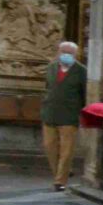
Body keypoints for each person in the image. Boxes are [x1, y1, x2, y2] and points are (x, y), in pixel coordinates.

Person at [41, 40, 86, 192]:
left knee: (67, 150)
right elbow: (48, 87)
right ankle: (58, 173)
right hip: (50, 114)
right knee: (49, 146)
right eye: (63, 52)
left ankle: (60, 181)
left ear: (75, 55)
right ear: (58, 53)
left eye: (70, 53)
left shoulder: (81, 71)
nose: (66, 55)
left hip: (69, 116)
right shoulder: (51, 67)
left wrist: (82, 114)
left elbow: (84, 94)